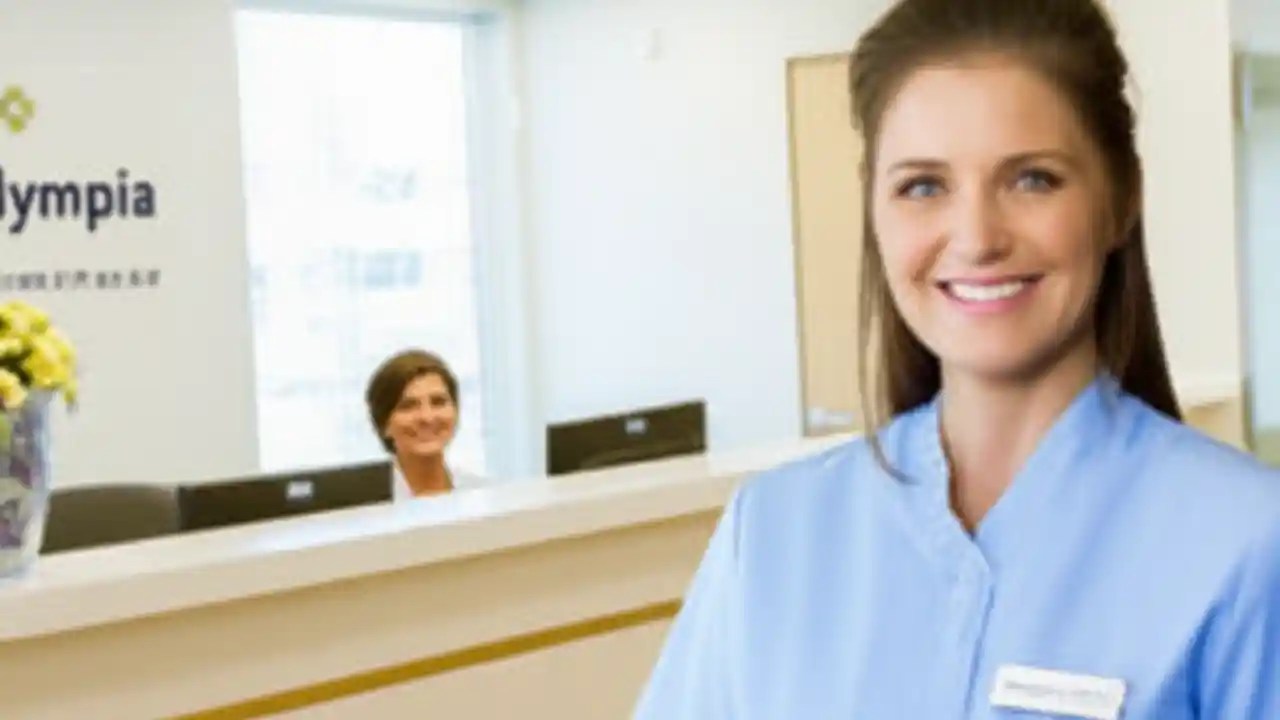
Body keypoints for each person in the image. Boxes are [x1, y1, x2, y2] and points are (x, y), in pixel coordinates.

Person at [635, 1, 1280, 717]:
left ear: (1122, 198)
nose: (976, 238)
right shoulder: (771, 536)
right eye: (923, 187)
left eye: (1032, 179)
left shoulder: (1244, 541)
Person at [365, 349, 481, 500]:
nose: (427, 418)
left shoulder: (482, 496)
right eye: (407, 406)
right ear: (383, 423)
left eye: (438, 402)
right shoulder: (360, 504)